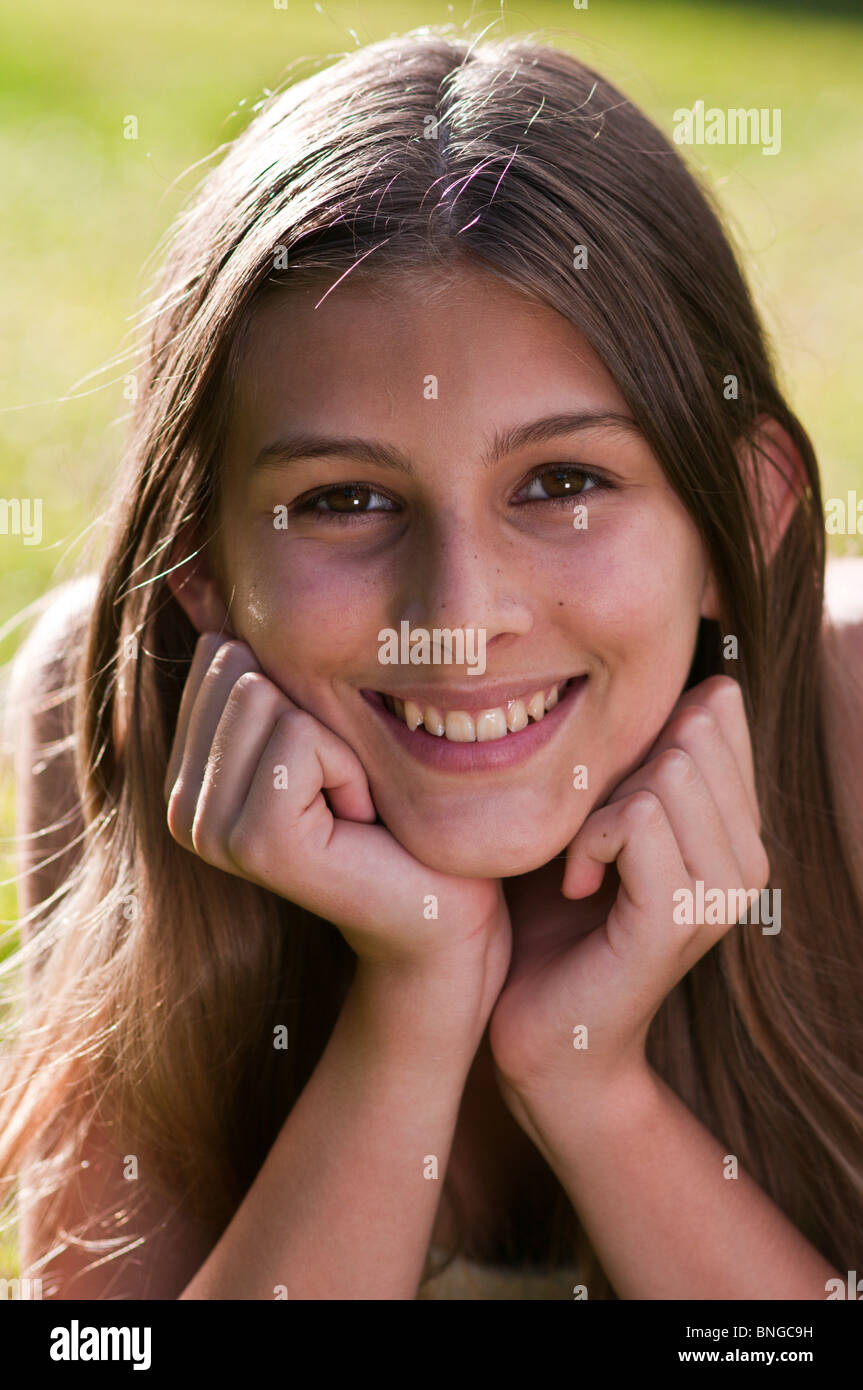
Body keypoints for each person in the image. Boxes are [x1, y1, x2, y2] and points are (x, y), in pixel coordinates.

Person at [2, 29, 862, 1301]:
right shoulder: (109, 701)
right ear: (197, 560)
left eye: (562, 482)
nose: (457, 614)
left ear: (744, 515)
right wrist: (410, 1001)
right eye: (346, 498)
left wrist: (585, 1079)